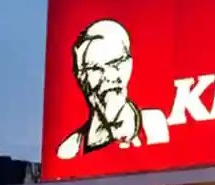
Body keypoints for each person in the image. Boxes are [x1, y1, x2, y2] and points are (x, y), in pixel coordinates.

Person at [57, 19, 170, 160]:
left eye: (115, 63)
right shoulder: (70, 149)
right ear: (81, 77)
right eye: (95, 68)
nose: (109, 76)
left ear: (129, 64)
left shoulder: (152, 124)